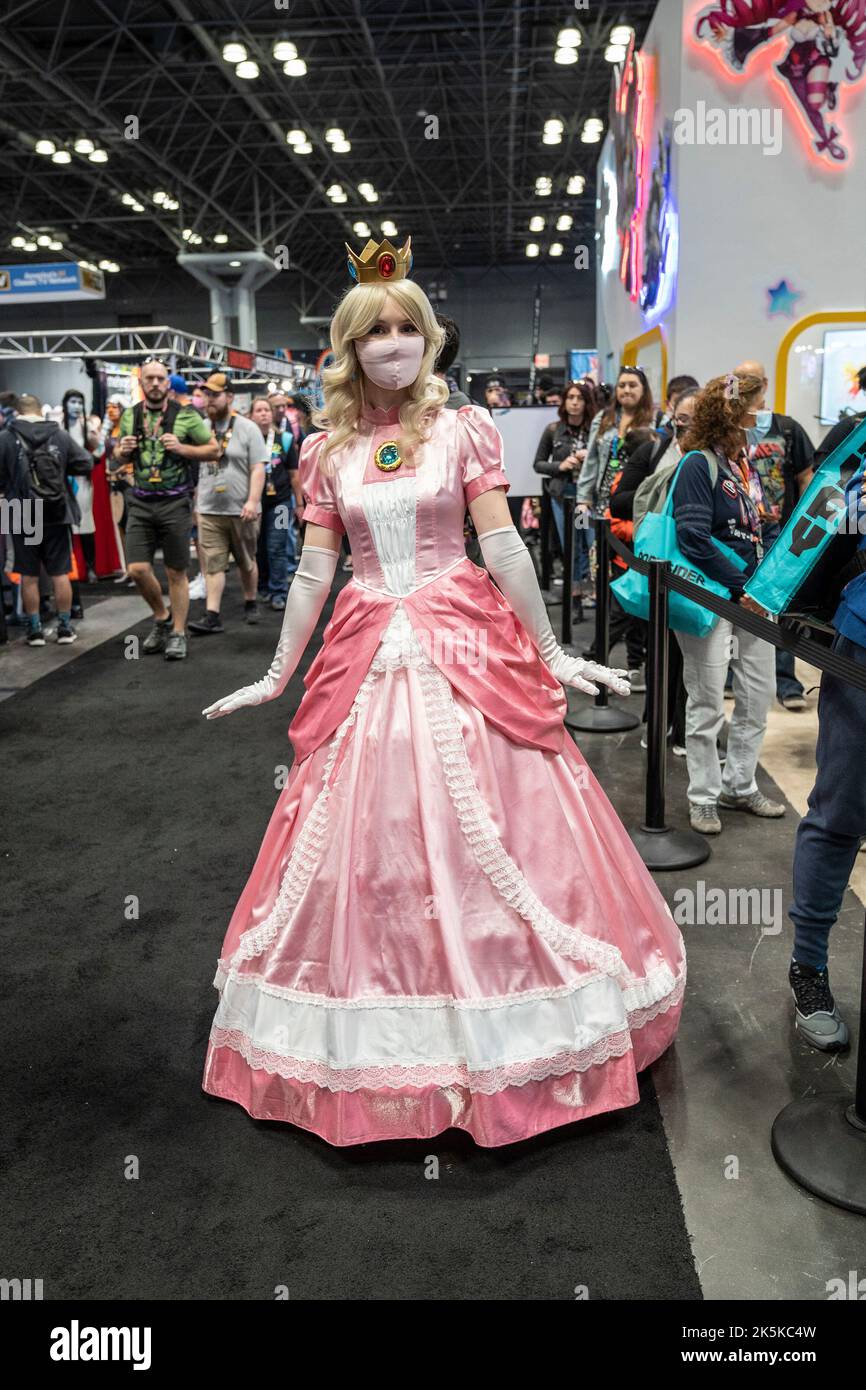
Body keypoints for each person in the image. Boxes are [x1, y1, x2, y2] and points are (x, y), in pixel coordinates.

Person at [198, 234, 685, 1148]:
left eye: (405, 325)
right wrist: (275, 673)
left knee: (501, 826)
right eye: (373, 329)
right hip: (366, 643)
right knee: (367, 840)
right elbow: (312, 571)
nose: (392, 340)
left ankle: (513, 1029)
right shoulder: (326, 452)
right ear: (347, 349)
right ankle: (382, 1037)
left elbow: (501, 545)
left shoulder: (463, 429)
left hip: (465, 636)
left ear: (429, 335)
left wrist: (549, 652)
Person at [672, 372, 785, 834]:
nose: (763, 416)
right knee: (706, 704)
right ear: (734, 415)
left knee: (759, 697)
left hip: (752, 598)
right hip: (715, 598)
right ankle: (704, 796)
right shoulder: (698, 465)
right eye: (756, 407)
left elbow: (758, 529)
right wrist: (742, 587)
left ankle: (741, 784)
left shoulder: (745, 468)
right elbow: (693, 537)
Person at [786, 411, 866, 1050]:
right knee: (841, 808)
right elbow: (822, 520)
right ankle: (807, 969)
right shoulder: (859, 435)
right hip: (861, 646)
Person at [114, 358, 218, 661]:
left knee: (175, 572)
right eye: (150, 379)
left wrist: (184, 449)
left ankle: (178, 632)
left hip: (174, 503)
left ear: (168, 382)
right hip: (141, 501)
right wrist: (122, 452)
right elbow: (120, 460)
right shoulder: (131, 416)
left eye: (161, 378)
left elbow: (213, 449)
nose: (156, 383)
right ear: (142, 382)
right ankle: (161, 617)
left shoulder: (186, 415)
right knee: (137, 569)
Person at [734, 358, 815, 711]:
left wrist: (805, 527)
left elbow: (806, 477)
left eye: (750, 379)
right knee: (735, 598)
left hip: (781, 532)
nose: (744, 384)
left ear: (764, 383)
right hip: (737, 531)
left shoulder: (787, 428)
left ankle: (785, 680)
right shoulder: (729, 426)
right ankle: (727, 676)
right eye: (738, 379)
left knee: (783, 605)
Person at [578, 364, 657, 688]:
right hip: (602, 510)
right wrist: (583, 498)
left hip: (638, 513)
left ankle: (634, 661)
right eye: (622, 385)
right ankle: (606, 657)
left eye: (632, 385)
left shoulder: (655, 422)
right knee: (607, 582)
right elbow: (590, 464)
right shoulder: (603, 420)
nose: (626, 391)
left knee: (635, 585)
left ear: (643, 390)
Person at [0, 392, 93, 646]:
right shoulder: (59, 435)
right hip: (56, 509)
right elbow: (86, 462)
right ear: (41, 412)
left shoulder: (6, 438)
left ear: (17, 412)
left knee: (29, 574)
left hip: (22, 511)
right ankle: (64, 628)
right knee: (60, 571)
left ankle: (35, 631)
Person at [189, 372, 268, 635]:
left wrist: (253, 501)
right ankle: (212, 615)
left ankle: (250, 601)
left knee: (246, 561)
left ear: (230, 397)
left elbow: (258, 468)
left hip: (241, 510)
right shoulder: (201, 427)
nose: (209, 399)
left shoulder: (248, 428)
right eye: (206, 394)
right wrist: (196, 505)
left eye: (215, 394)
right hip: (210, 509)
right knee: (213, 563)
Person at [533, 380, 596, 600]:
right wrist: (560, 466)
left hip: (586, 498)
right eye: (571, 397)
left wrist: (590, 457)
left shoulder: (594, 431)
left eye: (580, 398)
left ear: (587, 402)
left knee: (589, 541)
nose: (575, 403)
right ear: (564, 401)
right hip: (562, 496)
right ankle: (575, 588)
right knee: (569, 543)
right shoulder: (553, 430)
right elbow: (538, 464)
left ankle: (591, 588)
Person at [249, 395, 301, 610]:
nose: (263, 414)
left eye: (266, 410)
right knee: (258, 547)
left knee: (277, 546)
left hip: (280, 503)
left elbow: (294, 475)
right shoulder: (248, 441)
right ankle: (262, 587)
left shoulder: (285, 439)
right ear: (251, 416)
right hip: (256, 504)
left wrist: (299, 503)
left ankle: (279, 591)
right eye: (258, 410)